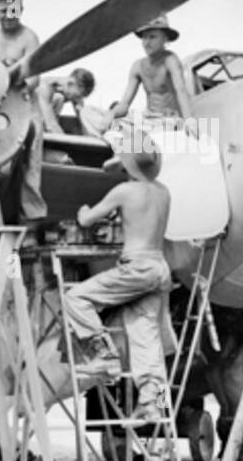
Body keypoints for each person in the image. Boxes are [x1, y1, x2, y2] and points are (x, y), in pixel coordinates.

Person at [62, 124, 174, 423]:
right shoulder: (163, 192)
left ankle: (103, 357)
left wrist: (84, 206)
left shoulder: (123, 191)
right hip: (160, 267)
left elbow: (87, 220)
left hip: (136, 266)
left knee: (75, 298)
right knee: (146, 338)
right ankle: (156, 404)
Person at [0, 0, 47, 224]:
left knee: (31, 161)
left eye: (13, 10)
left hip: (26, 107)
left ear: (20, 10)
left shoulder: (29, 38)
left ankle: (32, 216)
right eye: (3, 10)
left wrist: (12, 85)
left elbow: (34, 78)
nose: (8, 15)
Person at [112, 14, 195, 127]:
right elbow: (125, 103)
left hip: (170, 120)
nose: (147, 42)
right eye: (144, 37)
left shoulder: (170, 60)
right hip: (149, 119)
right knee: (102, 120)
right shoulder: (137, 66)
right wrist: (111, 114)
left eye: (152, 37)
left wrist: (190, 122)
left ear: (164, 39)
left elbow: (181, 91)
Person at [37, 68, 96, 134]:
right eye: (77, 96)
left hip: (45, 120)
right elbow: (51, 124)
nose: (78, 100)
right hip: (29, 120)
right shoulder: (44, 88)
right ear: (70, 84)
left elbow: (84, 125)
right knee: (58, 98)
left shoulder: (71, 92)